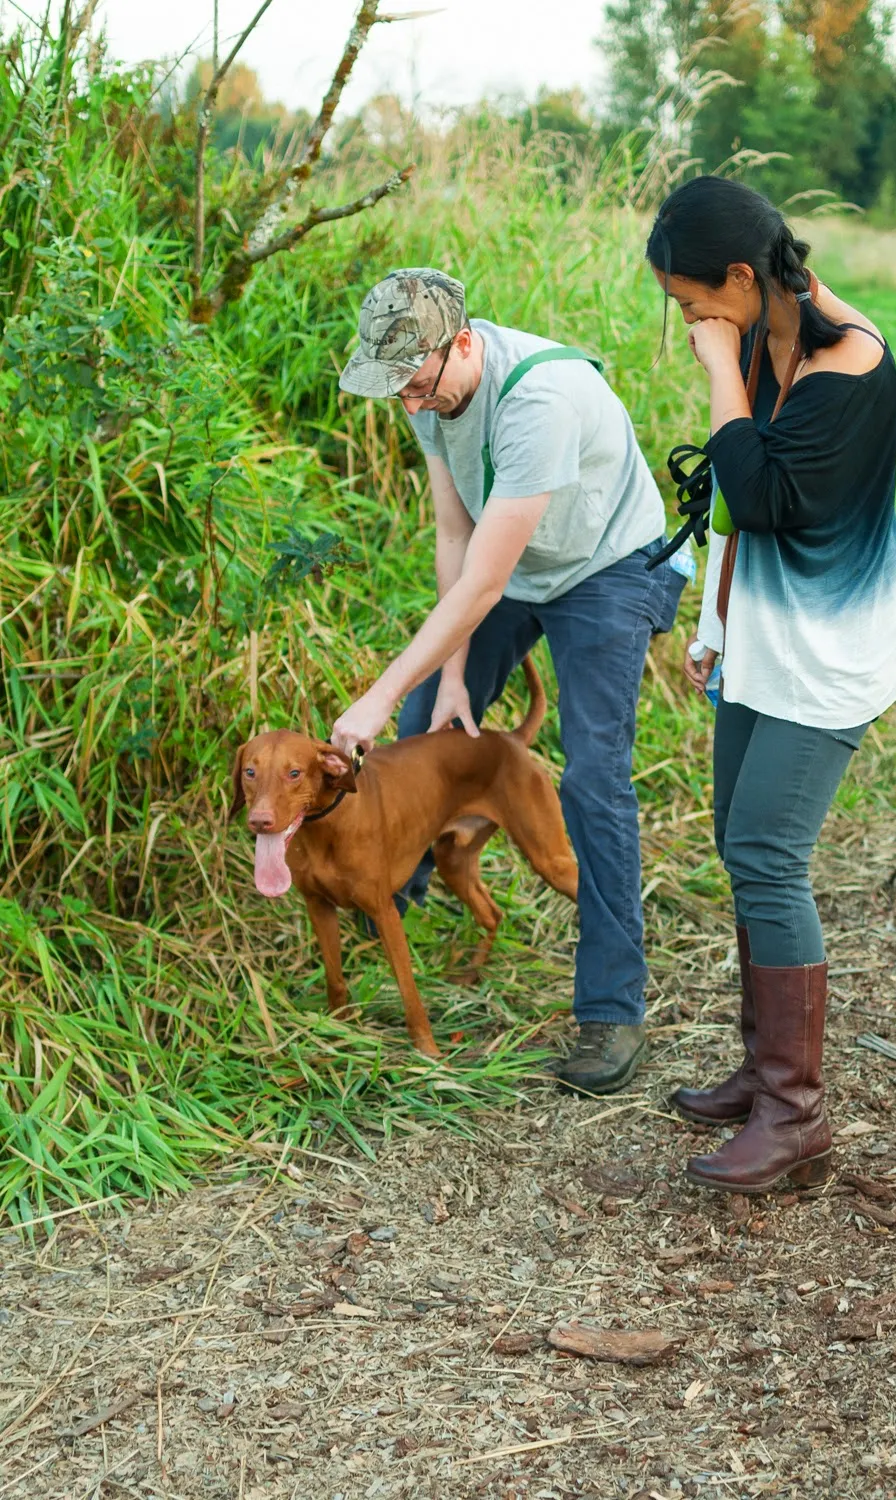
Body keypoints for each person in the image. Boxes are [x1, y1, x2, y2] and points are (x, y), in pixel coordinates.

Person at [330, 268, 689, 1093]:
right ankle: (390, 904)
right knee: (429, 720)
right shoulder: (427, 393)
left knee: (595, 777)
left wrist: (376, 694)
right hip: (515, 566)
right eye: (397, 393)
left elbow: (482, 585)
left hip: (607, 568)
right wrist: (451, 677)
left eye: (418, 385)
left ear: (463, 344)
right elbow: (455, 537)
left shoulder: (538, 400)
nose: (411, 405)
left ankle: (611, 1010)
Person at [646, 176, 896, 1193]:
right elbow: (731, 495)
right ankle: (764, 1074)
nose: (691, 325)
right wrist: (713, 620)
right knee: (736, 837)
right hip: (759, 637)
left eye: (695, 305)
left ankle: (796, 1115)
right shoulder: (773, 323)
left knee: (766, 849)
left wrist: (721, 363)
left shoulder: (852, 369)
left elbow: (757, 494)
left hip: (828, 653)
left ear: (744, 278)